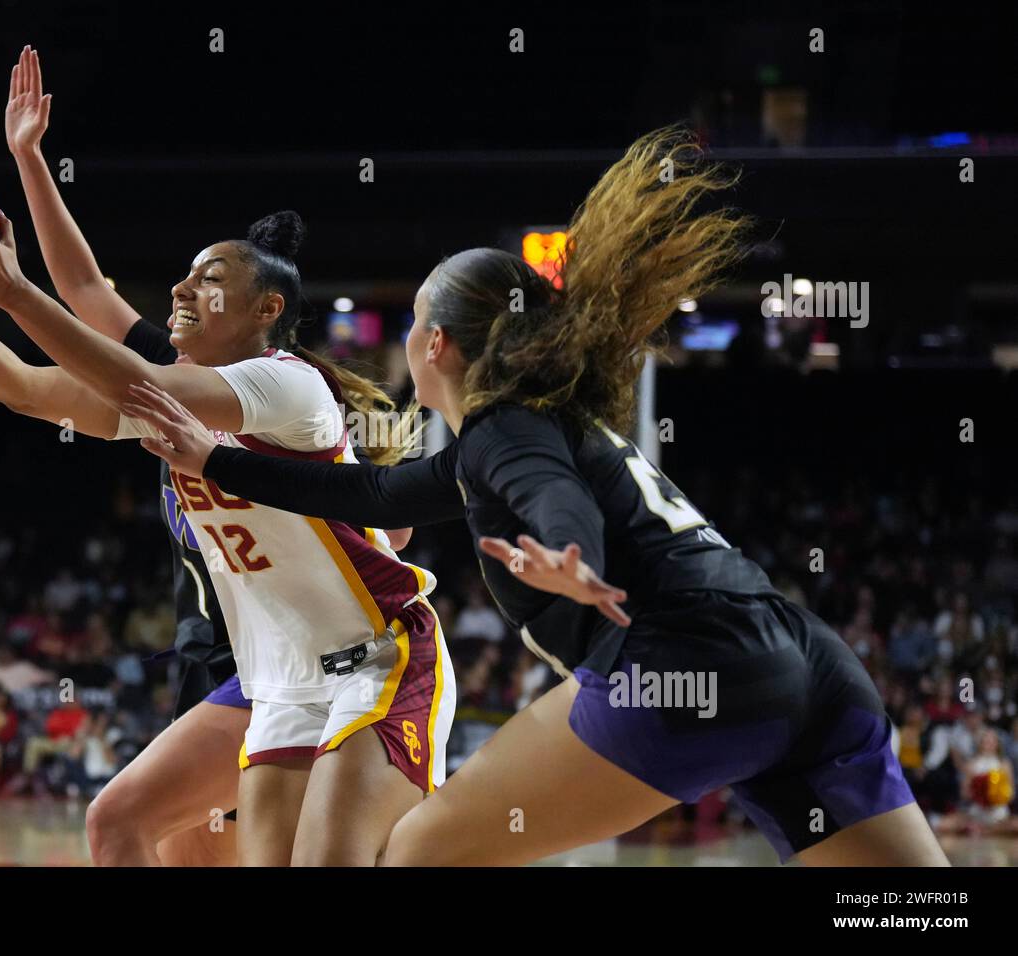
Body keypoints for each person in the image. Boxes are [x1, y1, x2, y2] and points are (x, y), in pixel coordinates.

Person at [127, 127, 949, 866]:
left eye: (412, 321)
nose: (406, 340)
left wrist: (572, 557)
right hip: (807, 665)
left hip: (683, 665)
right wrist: (215, 459)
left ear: (436, 344)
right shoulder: (523, 430)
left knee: (419, 853)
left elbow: (550, 497)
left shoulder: (502, 429)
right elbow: (372, 493)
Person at [0, 47, 452, 867]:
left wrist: (12, 289)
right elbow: (34, 378)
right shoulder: (170, 400)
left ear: (266, 310)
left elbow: (106, 349)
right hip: (276, 675)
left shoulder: (286, 385)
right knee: (136, 829)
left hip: (378, 653)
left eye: (209, 280)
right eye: (185, 276)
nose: (180, 290)